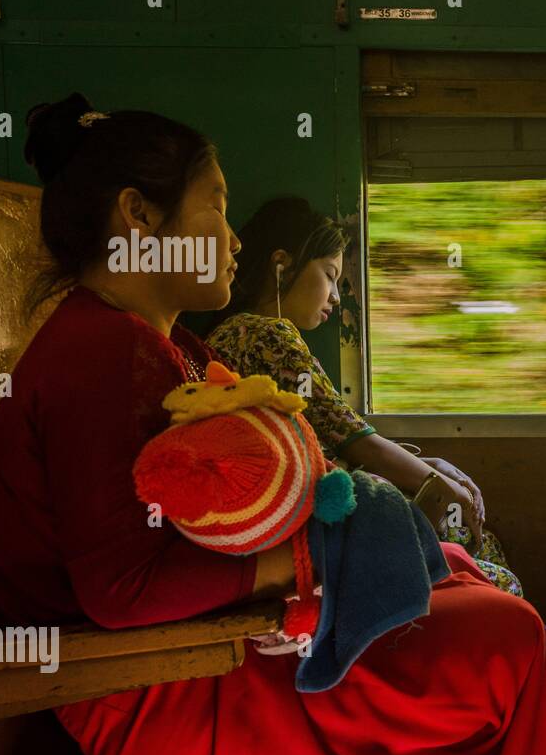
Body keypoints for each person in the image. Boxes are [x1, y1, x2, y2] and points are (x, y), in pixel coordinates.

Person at [0, 92, 546, 755]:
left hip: (203, 660)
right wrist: (293, 566)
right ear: (139, 216)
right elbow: (119, 590)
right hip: (164, 702)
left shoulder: (162, 346)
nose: (234, 238)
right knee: (509, 634)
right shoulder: (99, 354)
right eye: (215, 207)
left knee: (459, 574)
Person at [203, 197, 521, 595]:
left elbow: (338, 432)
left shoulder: (233, 333)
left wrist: (429, 463)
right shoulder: (265, 334)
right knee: (497, 574)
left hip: (311, 513)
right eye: (329, 274)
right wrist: (440, 483)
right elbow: (350, 436)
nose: (336, 296)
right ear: (281, 264)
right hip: (320, 522)